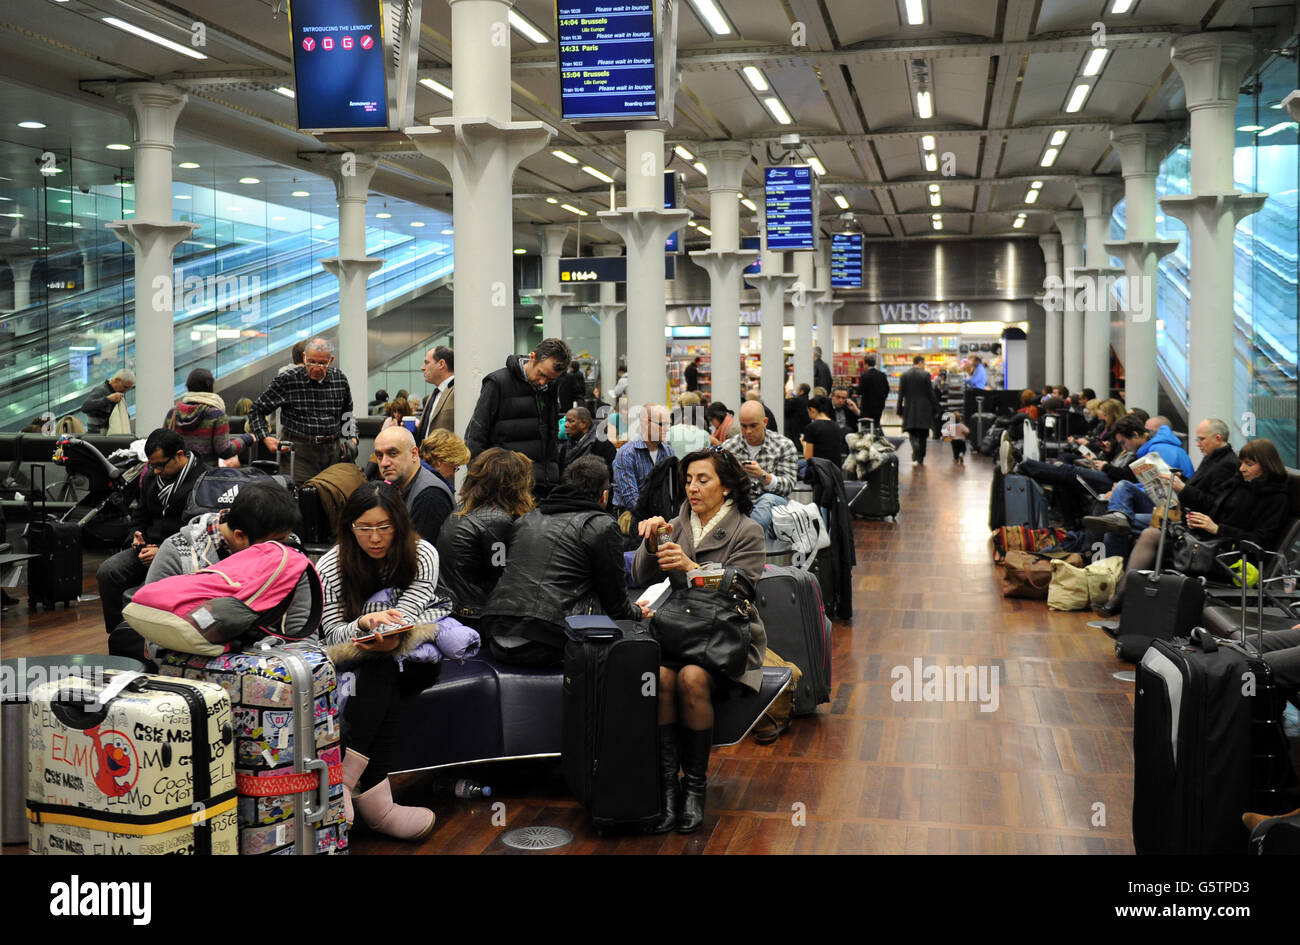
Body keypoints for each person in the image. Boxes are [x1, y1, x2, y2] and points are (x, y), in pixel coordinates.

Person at [632, 447, 768, 833]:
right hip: (678, 632)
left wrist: (692, 568)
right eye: (689, 480)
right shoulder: (676, 523)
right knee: (660, 678)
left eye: (703, 480)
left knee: (692, 677)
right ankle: (667, 789)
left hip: (723, 637)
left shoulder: (747, 530)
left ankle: (694, 788)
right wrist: (651, 540)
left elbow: (742, 589)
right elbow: (641, 575)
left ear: (726, 488)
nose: (693, 487)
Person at [317, 482, 450, 840]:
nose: (374, 538)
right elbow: (330, 634)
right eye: (364, 528)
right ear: (349, 528)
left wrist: (388, 632)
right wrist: (362, 625)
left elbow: (407, 617)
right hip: (352, 658)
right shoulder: (331, 564)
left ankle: (342, 783)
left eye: (384, 527)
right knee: (378, 671)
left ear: (400, 525)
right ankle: (380, 809)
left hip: (411, 655)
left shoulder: (422, 555)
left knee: (386, 666)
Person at [108, 481, 312, 662]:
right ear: (240, 536)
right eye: (275, 542)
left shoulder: (289, 559)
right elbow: (155, 633)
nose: (281, 549)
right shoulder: (178, 552)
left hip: (269, 674)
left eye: (284, 541)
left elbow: (301, 634)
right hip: (190, 673)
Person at [478, 456, 650, 666]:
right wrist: (637, 612)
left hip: (496, 633)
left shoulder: (526, 519)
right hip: (545, 640)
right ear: (604, 496)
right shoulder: (601, 525)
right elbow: (616, 604)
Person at [1098, 439, 1291, 616]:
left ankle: (1124, 604)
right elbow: (1214, 511)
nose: (1241, 469)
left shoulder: (1276, 498)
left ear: (1266, 466)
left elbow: (1260, 541)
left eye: (1249, 464)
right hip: (1207, 544)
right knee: (1150, 535)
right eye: (1242, 463)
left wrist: (1216, 529)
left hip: (1230, 558)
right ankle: (1123, 599)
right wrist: (1200, 522)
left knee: (1149, 538)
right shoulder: (1237, 484)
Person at [96, 428, 202, 636]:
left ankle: (149, 639)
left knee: (147, 590)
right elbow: (140, 516)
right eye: (152, 465)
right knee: (108, 572)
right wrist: (136, 536)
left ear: (179, 456)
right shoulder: (151, 479)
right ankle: (121, 636)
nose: (155, 471)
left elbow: (197, 530)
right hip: (147, 548)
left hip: (180, 554)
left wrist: (162, 551)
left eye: (160, 465)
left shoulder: (202, 480)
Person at [1085, 418, 1239, 537]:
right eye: (1197, 439)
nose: (1198, 444)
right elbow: (1199, 489)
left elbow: (1212, 504)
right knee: (1122, 490)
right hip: (1177, 508)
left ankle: (1107, 563)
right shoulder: (1213, 458)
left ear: (1218, 438)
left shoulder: (1225, 464)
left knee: (1114, 524)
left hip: (1185, 516)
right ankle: (1118, 517)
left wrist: (1182, 487)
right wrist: (1182, 480)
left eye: (1201, 439)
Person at [436, 448, 534, 626]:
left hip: (452, 606)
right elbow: (502, 576)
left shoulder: (464, 508)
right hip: (473, 614)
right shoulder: (496, 520)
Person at [465, 337, 570, 493]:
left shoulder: (550, 388)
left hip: (543, 487)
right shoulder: (497, 383)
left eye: (549, 378)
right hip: (506, 486)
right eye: (541, 374)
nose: (543, 382)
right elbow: (476, 435)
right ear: (532, 357)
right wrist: (483, 482)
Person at [249, 337, 359, 484]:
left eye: (322, 363)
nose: (316, 368)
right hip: (299, 451)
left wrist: (352, 438)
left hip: (332, 450)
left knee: (332, 496)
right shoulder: (288, 380)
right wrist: (265, 437)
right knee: (299, 497)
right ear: (304, 357)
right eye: (311, 362)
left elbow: (347, 414)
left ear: (330, 360)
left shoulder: (340, 380)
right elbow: (256, 410)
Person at [721, 400, 799, 538]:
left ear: (765, 422)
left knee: (767, 500)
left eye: (753, 425)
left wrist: (763, 476)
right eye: (743, 426)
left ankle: (745, 539)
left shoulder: (783, 445)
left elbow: (788, 486)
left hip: (775, 504)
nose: (748, 431)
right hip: (740, 502)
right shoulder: (729, 447)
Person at [371, 427, 453, 544]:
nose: (384, 463)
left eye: (393, 453)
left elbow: (418, 557)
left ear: (414, 454)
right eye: (379, 456)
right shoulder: (401, 486)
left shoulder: (430, 496)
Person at [164, 368, 248, 468]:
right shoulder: (216, 415)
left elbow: (163, 445)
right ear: (211, 386)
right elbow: (225, 451)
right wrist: (246, 439)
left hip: (178, 476)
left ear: (188, 387)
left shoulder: (173, 413)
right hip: (205, 477)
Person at [612, 403, 675, 511]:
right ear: (646, 423)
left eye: (669, 424)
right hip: (632, 516)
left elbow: (673, 490)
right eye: (662, 424)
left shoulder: (668, 451)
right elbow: (631, 500)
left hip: (661, 515)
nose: (667, 429)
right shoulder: (627, 454)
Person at [897, 355, 938, 465]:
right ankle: (920, 459)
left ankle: (914, 443)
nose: (924, 366)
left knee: (912, 431)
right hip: (924, 409)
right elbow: (931, 393)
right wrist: (936, 409)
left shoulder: (904, 376)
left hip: (909, 407)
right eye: (923, 364)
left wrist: (899, 410)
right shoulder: (925, 375)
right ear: (920, 363)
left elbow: (901, 395)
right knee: (923, 434)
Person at [559, 406, 617, 475]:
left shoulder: (603, 446)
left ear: (584, 424)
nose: (566, 425)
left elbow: (609, 474)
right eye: (566, 421)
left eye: (571, 421)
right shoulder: (565, 447)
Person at [414, 345, 455, 441]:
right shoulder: (435, 393)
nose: (422, 368)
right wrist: (418, 429)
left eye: (426, 363)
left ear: (441, 364)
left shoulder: (458, 391)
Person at [80, 368, 134, 434]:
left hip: (108, 434)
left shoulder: (116, 394)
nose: (126, 391)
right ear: (117, 380)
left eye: (129, 388)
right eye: (125, 387)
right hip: (97, 436)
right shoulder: (101, 390)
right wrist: (108, 399)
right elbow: (85, 407)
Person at [802, 395, 847, 468]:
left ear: (811, 409)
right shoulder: (836, 426)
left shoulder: (811, 427)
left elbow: (808, 458)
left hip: (819, 472)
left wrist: (804, 443)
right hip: (835, 472)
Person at [857, 355, 890, 427]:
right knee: (876, 423)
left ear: (866, 364)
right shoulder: (882, 375)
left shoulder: (865, 376)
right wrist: (883, 399)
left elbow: (860, 390)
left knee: (867, 424)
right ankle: (877, 435)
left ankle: (869, 436)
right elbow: (887, 389)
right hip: (879, 405)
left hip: (867, 406)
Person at [784, 383, 812, 447]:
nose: (795, 391)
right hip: (803, 429)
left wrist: (786, 398)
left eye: (797, 390)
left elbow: (785, 409)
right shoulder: (808, 401)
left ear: (801, 391)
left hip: (794, 430)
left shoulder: (796, 401)